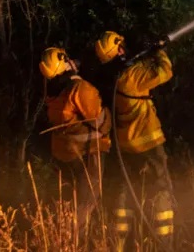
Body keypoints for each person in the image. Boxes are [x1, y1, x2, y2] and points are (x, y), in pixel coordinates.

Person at [94, 30, 175, 250]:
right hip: (147, 143)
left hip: (125, 146)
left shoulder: (113, 77)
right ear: (119, 49)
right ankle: (163, 242)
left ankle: (118, 243)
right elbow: (164, 72)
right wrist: (160, 52)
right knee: (160, 190)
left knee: (125, 192)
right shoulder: (131, 76)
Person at [39, 46, 112, 238]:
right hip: (89, 154)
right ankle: (76, 241)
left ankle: (61, 239)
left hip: (66, 157)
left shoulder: (54, 94)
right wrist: (107, 108)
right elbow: (100, 122)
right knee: (86, 203)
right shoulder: (80, 89)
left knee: (69, 202)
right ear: (63, 62)